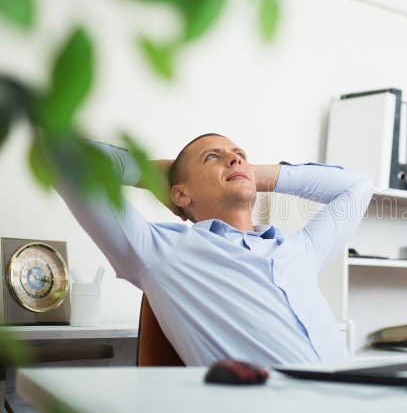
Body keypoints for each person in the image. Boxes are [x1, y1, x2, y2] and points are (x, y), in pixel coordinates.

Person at [56, 133, 372, 366]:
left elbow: (357, 187)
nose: (235, 159)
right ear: (180, 194)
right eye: (212, 157)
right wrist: (154, 174)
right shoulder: (162, 251)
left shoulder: (300, 249)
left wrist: (250, 174)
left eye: (239, 154)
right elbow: (63, 156)